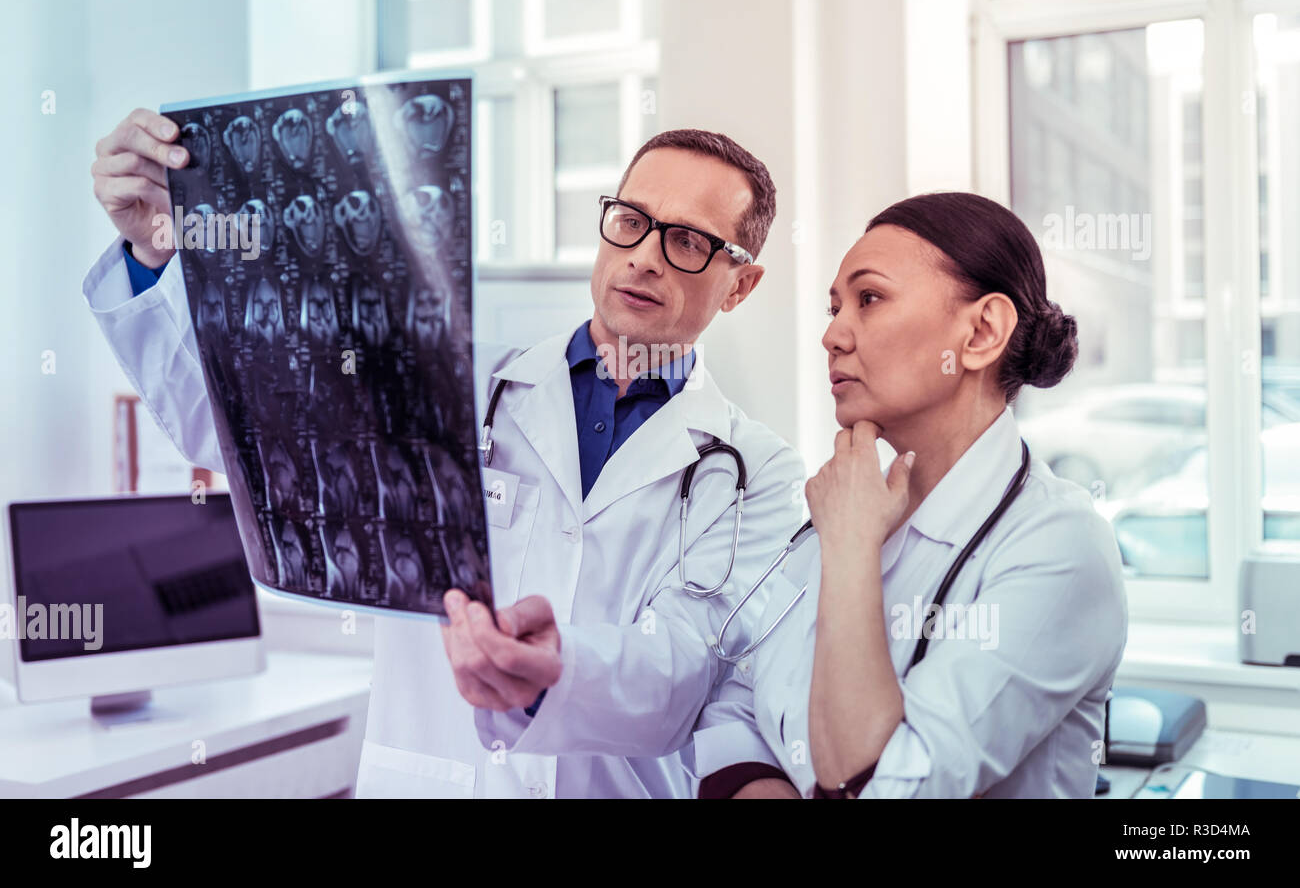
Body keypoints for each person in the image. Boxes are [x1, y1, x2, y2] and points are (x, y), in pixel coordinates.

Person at [84, 110, 804, 798]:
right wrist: (154, 253)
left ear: (740, 283)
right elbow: (245, 433)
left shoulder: (759, 475)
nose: (645, 256)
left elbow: (684, 673)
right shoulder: (451, 385)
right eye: (631, 221)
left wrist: (556, 671)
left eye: (687, 241)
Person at [689, 192, 1128, 798]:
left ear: (981, 332)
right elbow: (736, 704)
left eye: (869, 299)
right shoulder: (848, 507)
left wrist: (850, 552)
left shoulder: (1059, 545)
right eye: (834, 306)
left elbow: (879, 784)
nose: (831, 336)